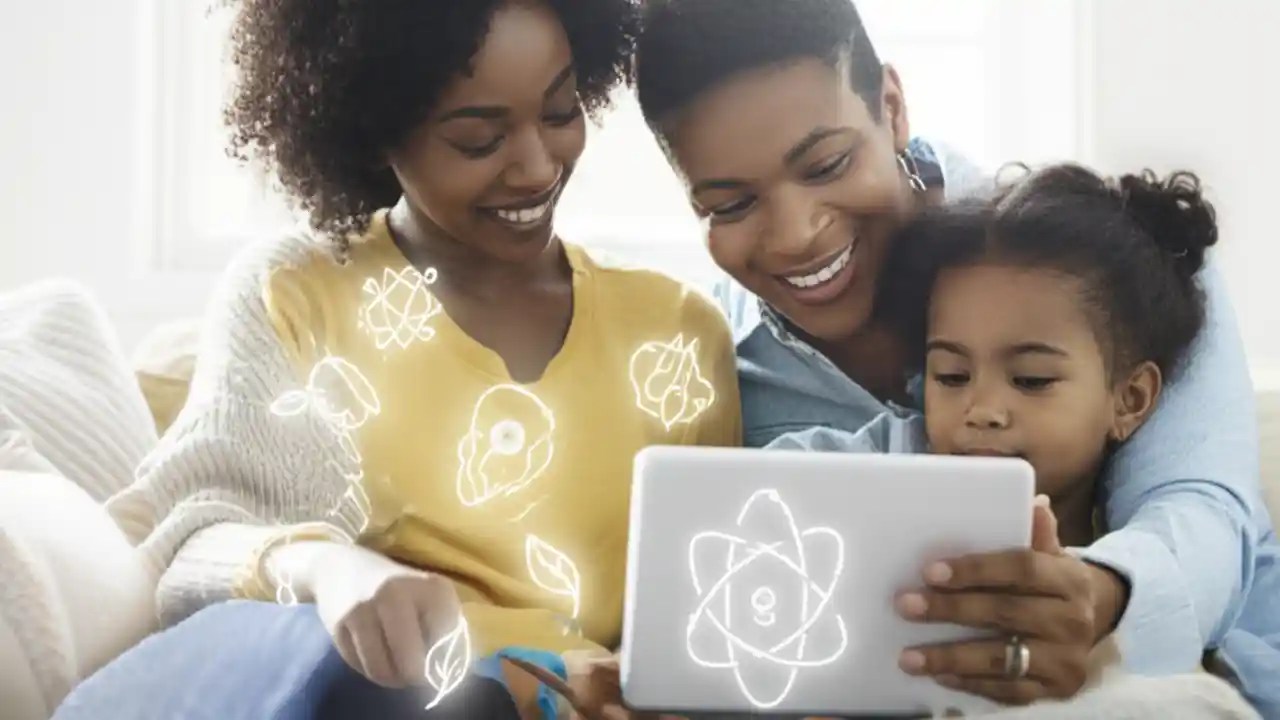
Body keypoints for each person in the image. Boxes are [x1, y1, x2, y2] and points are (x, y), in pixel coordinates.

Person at [55, 1, 739, 718]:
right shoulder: (297, 292)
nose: (538, 166)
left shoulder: (674, 333)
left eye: (561, 112)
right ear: (376, 129)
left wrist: (640, 684)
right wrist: (328, 568)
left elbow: (710, 624)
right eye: (478, 139)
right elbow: (189, 551)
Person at [634, 0, 1272, 713]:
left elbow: (1203, 515)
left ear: (891, 107)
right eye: (729, 206)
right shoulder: (710, 373)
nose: (794, 236)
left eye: (827, 164)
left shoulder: (1122, 266)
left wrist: (1101, 597)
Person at [770, 164, 1280, 713]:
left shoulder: (1175, 539)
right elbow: (765, 486)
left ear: (1129, 400)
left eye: (1031, 380)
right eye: (951, 376)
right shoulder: (887, 458)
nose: (982, 410)